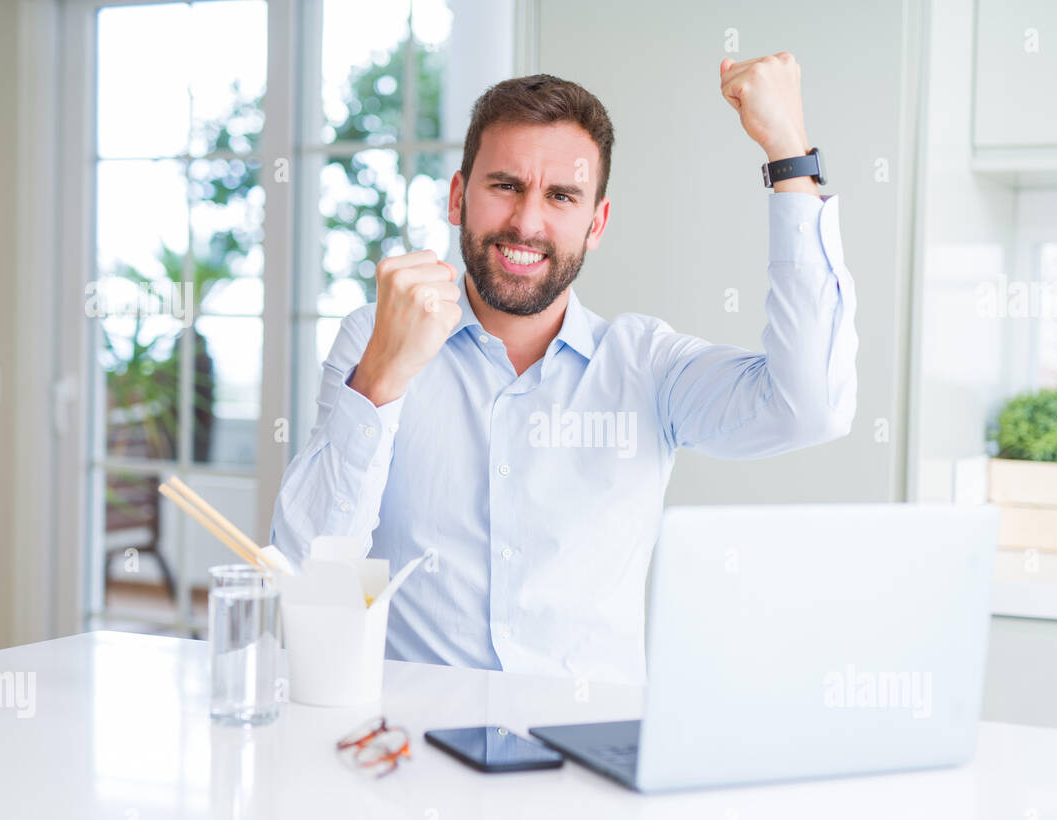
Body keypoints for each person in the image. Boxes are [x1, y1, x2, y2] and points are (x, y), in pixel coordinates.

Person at [271, 55, 858, 685]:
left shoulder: (648, 368)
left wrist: (788, 153)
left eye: (561, 195)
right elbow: (306, 577)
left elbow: (811, 406)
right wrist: (381, 380)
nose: (527, 221)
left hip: (586, 763)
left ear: (596, 222)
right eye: (505, 186)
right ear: (456, 197)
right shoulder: (375, 338)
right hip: (409, 754)